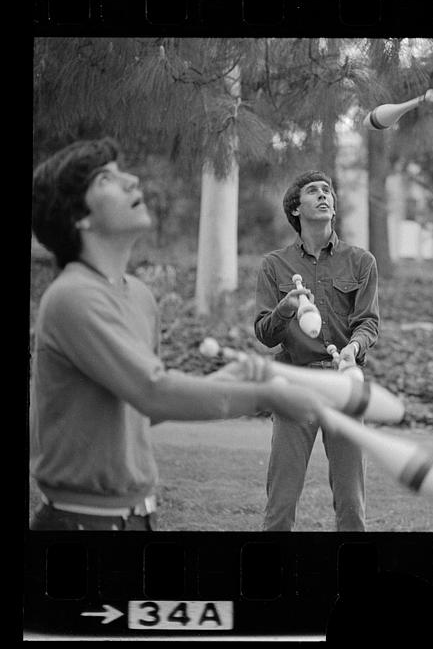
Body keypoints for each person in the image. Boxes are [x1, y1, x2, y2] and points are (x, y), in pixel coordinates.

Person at [29, 137, 325, 531]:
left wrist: (230, 379)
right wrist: (265, 395)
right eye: (106, 180)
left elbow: (142, 408)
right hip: (78, 521)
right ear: (78, 216)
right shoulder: (72, 297)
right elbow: (156, 391)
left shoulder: (139, 296)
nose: (132, 180)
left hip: (138, 516)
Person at [254, 170, 379, 531]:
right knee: (281, 501)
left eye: (327, 191)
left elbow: (368, 322)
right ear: (296, 209)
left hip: (344, 382)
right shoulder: (275, 265)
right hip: (295, 382)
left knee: (352, 503)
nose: (324, 196)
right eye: (313, 192)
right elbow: (265, 333)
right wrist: (286, 309)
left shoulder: (361, 261)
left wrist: (354, 348)